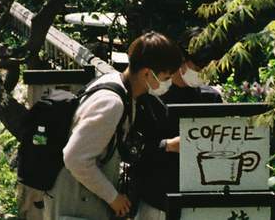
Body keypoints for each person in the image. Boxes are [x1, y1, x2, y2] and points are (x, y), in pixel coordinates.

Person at [51, 31, 183, 220]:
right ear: (147, 73)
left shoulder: (119, 85)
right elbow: (75, 158)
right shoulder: (112, 103)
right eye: (166, 77)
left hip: (83, 196)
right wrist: (113, 197)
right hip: (76, 201)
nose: (168, 83)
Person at [129, 31, 222, 219]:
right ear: (181, 61)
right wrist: (168, 145)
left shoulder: (210, 98)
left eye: (209, 70)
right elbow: (132, 147)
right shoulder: (153, 93)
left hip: (197, 196)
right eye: (199, 67)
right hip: (155, 197)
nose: (203, 74)